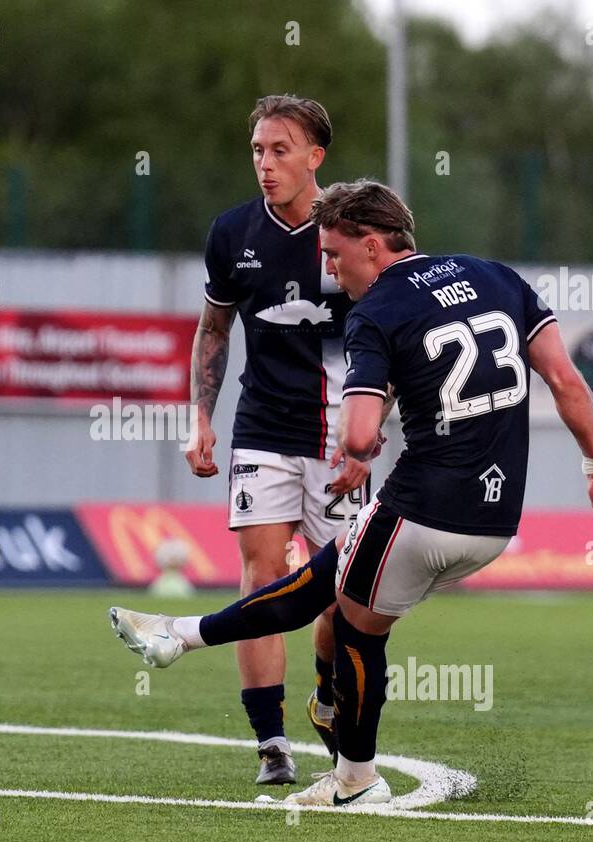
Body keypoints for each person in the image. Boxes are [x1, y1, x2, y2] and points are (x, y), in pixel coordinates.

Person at [113, 179, 593, 806]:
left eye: (333, 254)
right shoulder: (495, 276)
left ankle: (353, 777)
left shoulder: (376, 311)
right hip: (495, 523)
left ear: (373, 244)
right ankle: (183, 637)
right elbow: (564, 377)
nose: (328, 270)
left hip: (423, 510)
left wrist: (359, 452)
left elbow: (358, 427)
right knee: (327, 588)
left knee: (345, 623)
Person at [187, 96, 375, 785]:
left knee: (343, 597)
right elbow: (213, 328)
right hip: (262, 428)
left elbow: (388, 335)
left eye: (281, 150)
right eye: (259, 150)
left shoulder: (352, 234)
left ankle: (327, 696)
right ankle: (271, 742)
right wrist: (200, 415)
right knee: (262, 573)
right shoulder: (232, 232)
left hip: (337, 442)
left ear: (316, 156)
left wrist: (373, 432)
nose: (266, 164)